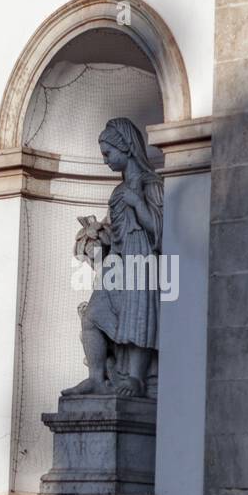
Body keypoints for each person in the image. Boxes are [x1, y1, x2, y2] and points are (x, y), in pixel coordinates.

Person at [63, 117, 164, 399]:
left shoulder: (152, 185)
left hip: (143, 261)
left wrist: (138, 203)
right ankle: (96, 377)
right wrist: (99, 238)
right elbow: (116, 234)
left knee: (138, 317)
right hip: (118, 263)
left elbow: (161, 230)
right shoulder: (117, 192)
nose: (105, 160)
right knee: (93, 316)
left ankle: (136, 378)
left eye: (108, 153)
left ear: (127, 148)